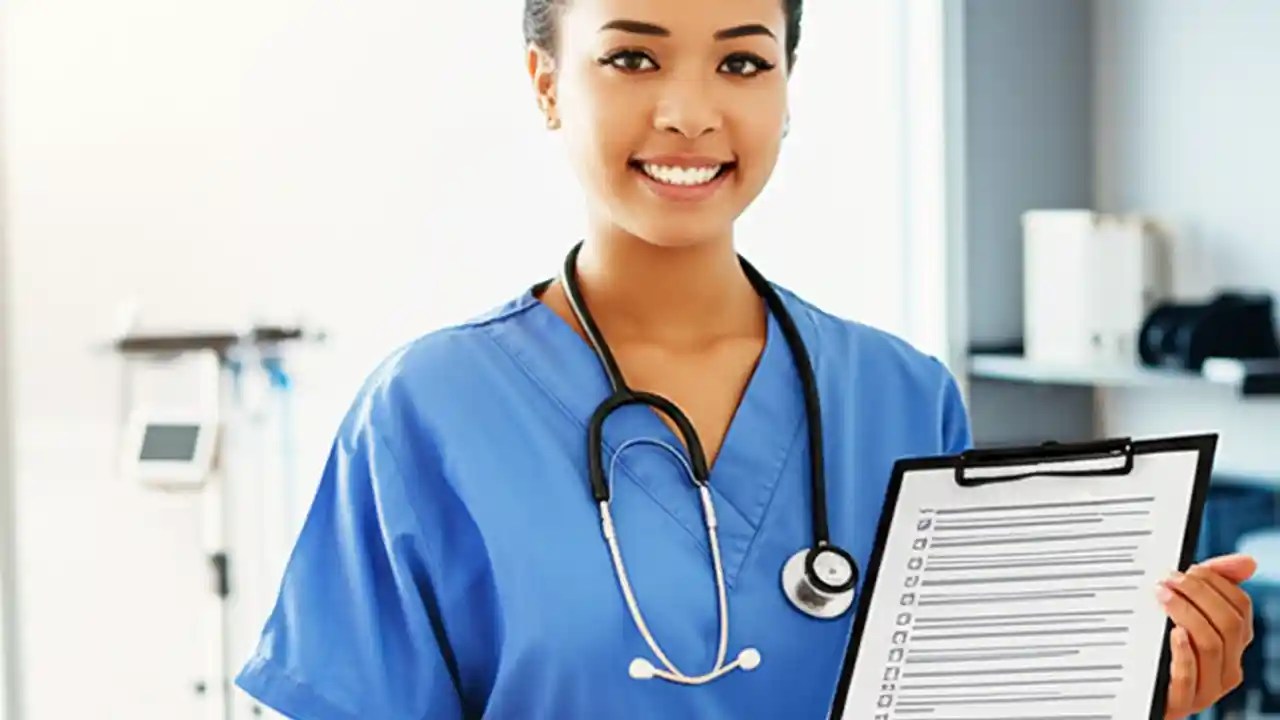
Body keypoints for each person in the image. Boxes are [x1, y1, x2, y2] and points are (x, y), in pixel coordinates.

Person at [234, 0, 1258, 717]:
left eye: (740, 60)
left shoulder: (899, 396)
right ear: (546, 82)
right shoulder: (431, 411)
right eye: (632, 58)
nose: (690, 110)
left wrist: (1133, 696)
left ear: (785, 85)